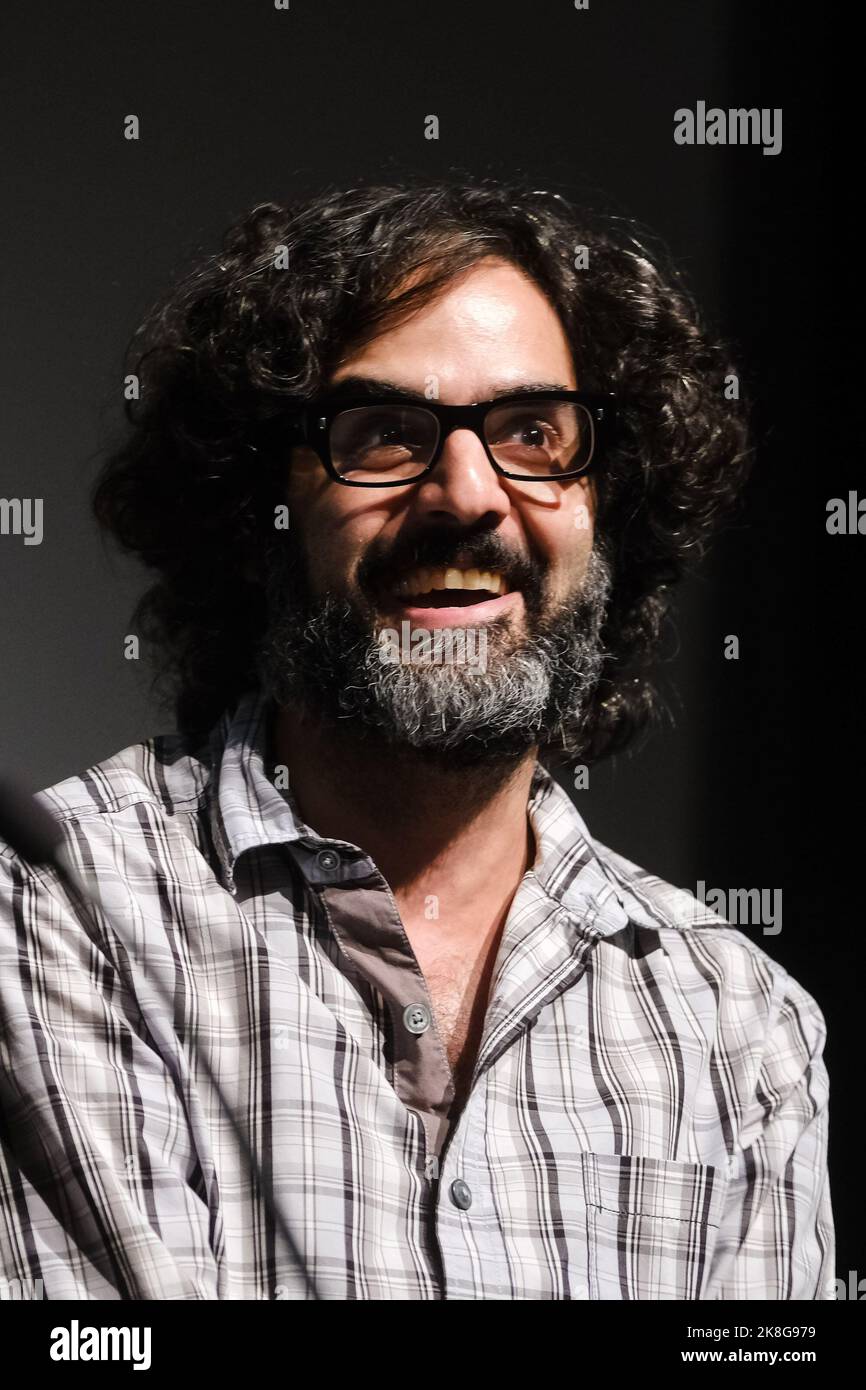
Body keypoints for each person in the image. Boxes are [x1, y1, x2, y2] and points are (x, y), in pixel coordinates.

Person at [0, 179, 833, 1299]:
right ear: (263, 510)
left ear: (607, 510)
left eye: (533, 433)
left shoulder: (739, 1030)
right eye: (384, 434)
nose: (465, 494)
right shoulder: (57, 921)